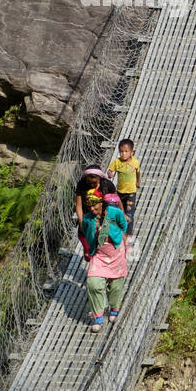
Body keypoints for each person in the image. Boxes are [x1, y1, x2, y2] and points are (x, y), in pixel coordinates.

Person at [83, 190, 128, 332]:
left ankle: (114, 307)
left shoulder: (114, 212)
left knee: (115, 285)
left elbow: (123, 225)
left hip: (116, 253)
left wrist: (114, 232)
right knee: (93, 283)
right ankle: (98, 316)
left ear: (101, 202)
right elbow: (86, 233)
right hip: (99, 255)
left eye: (94, 205)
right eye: (89, 206)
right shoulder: (88, 219)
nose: (92, 209)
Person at [108, 137, 140, 241]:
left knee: (129, 213)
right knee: (118, 211)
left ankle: (129, 235)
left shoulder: (135, 162)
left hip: (131, 192)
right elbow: (110, 170)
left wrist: (138, 181)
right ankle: (118, 231)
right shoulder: (117, 162)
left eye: (126, 151)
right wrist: (110, 174)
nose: (123, 154)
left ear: (132, 152)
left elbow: (138, 173)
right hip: (120, 192)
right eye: (121, 151)